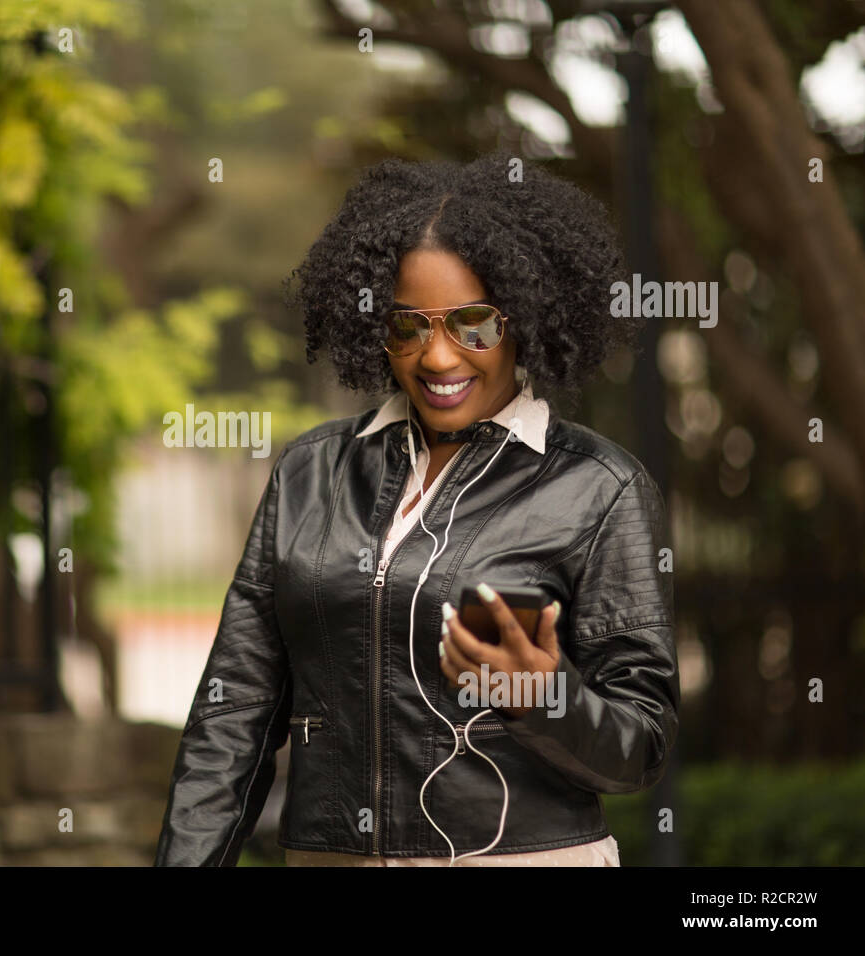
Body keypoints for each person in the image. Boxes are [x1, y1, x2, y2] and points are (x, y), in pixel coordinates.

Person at [154, 152, 680, 867]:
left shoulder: (598, 488)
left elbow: (641, 745)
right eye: (408, 327)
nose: (436, 358)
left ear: (523, 318)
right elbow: (235, 710)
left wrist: (543, 695)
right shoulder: (311, 474)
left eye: (473, 326)